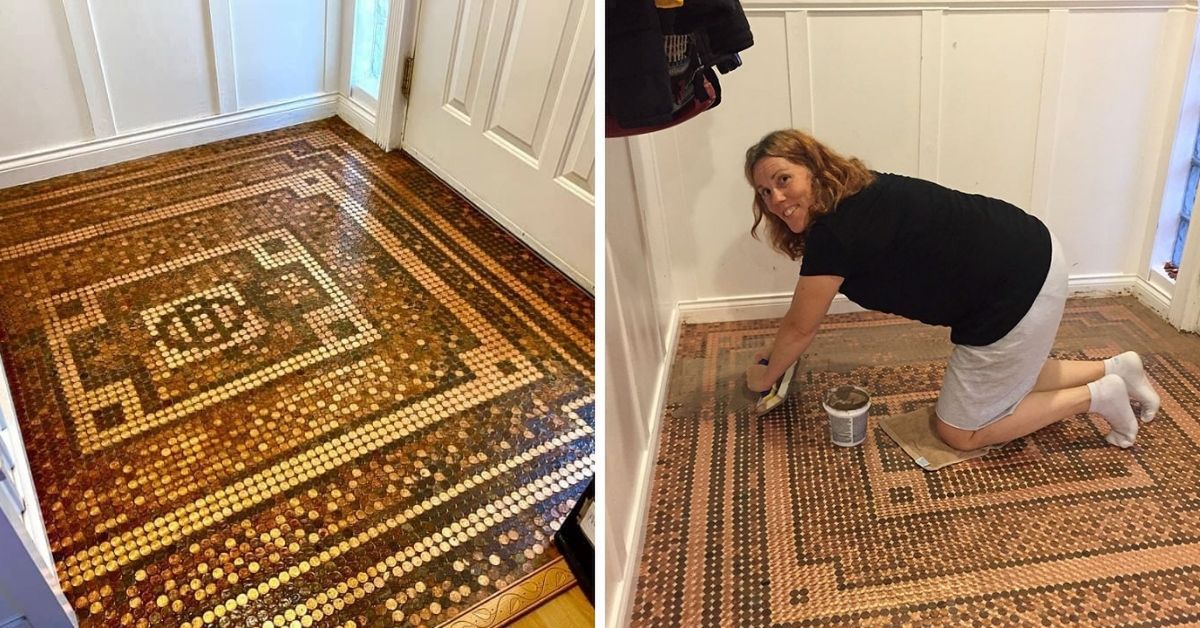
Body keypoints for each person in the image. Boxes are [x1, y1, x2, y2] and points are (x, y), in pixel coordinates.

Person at [742, 129, 1161, 451]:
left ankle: (1098, 396)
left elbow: (801, 327)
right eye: (764, 191)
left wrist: (767, 376)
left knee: (960, 432)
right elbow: (799, 319)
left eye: (784, 179)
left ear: (815, 169)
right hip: (1029, 252)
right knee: (1009, 382)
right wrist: (774, 356)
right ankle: (1117, 368)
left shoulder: (835, 232)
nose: (776, 198)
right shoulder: (854, 194)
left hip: (1012, 290)